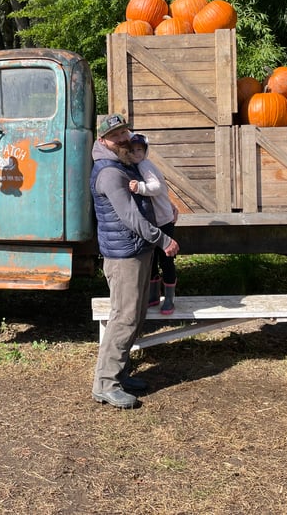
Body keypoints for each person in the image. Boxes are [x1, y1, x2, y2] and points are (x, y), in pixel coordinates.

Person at [90, 113, 179, 409]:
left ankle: (120, 373)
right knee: (124, 317)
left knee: (137, 315)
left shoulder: (124, 165)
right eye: (116, 135)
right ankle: (106, 384)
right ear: (103, 141)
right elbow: (130, 217)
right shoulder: (109, 173)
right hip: (124, 256)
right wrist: (164, 239)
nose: (123, 138)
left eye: (125, 132)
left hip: (138, 251)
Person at [127, 133, 178, 314]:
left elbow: (156, 187)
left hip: (163, 221)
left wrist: (140, 188)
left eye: (139, 149)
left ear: (145, 150)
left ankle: (170, 298)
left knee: (166, 259)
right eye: (132, 150)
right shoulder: (136, 166)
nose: (136, 153)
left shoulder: (144, 164)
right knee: (152, 259)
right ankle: (154, 296)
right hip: (154, 221)